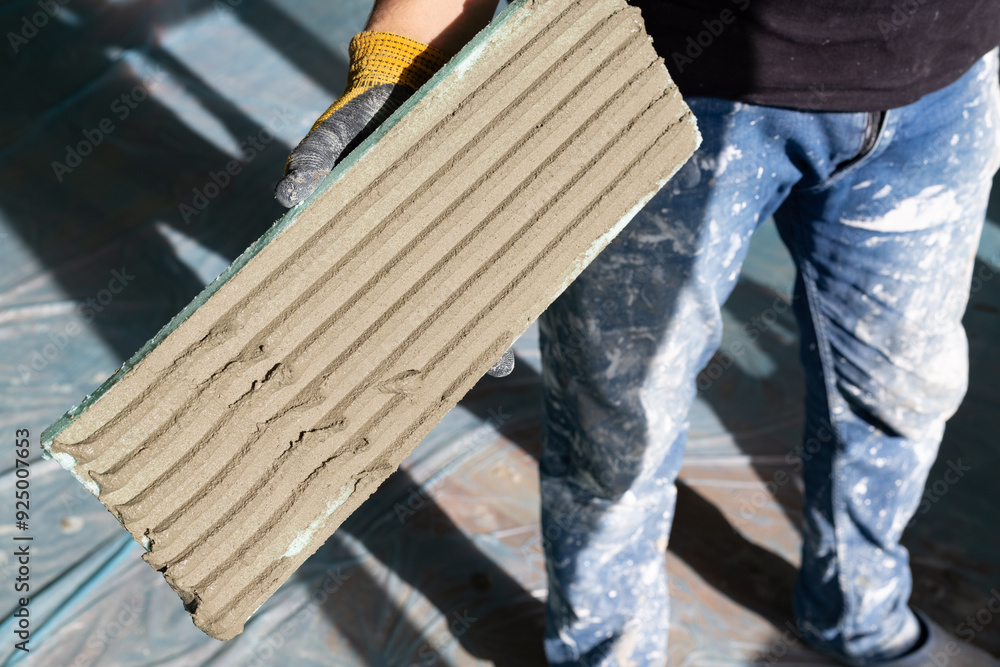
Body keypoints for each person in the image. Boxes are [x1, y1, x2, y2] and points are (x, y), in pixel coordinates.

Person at [275, 1, 1000, 664]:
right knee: (615, 424)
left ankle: (860, 615)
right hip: (659, 82)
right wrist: (404, 66)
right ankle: (608, 654)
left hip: (946, 79)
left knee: (899, 388)